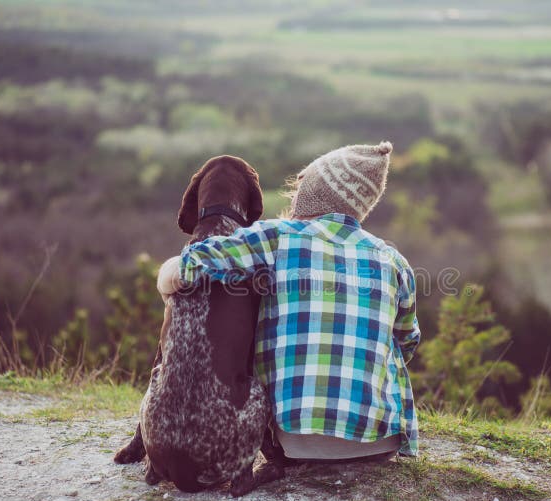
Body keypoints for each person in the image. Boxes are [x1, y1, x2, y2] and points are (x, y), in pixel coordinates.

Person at [157, 141, 420, 460]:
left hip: (294, 444)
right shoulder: (393, 259)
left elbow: (197, 261)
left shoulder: (277, 236)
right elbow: (407, 341)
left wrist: (167, 274)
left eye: (299, 189)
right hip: (379, 441)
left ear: (312, 193)